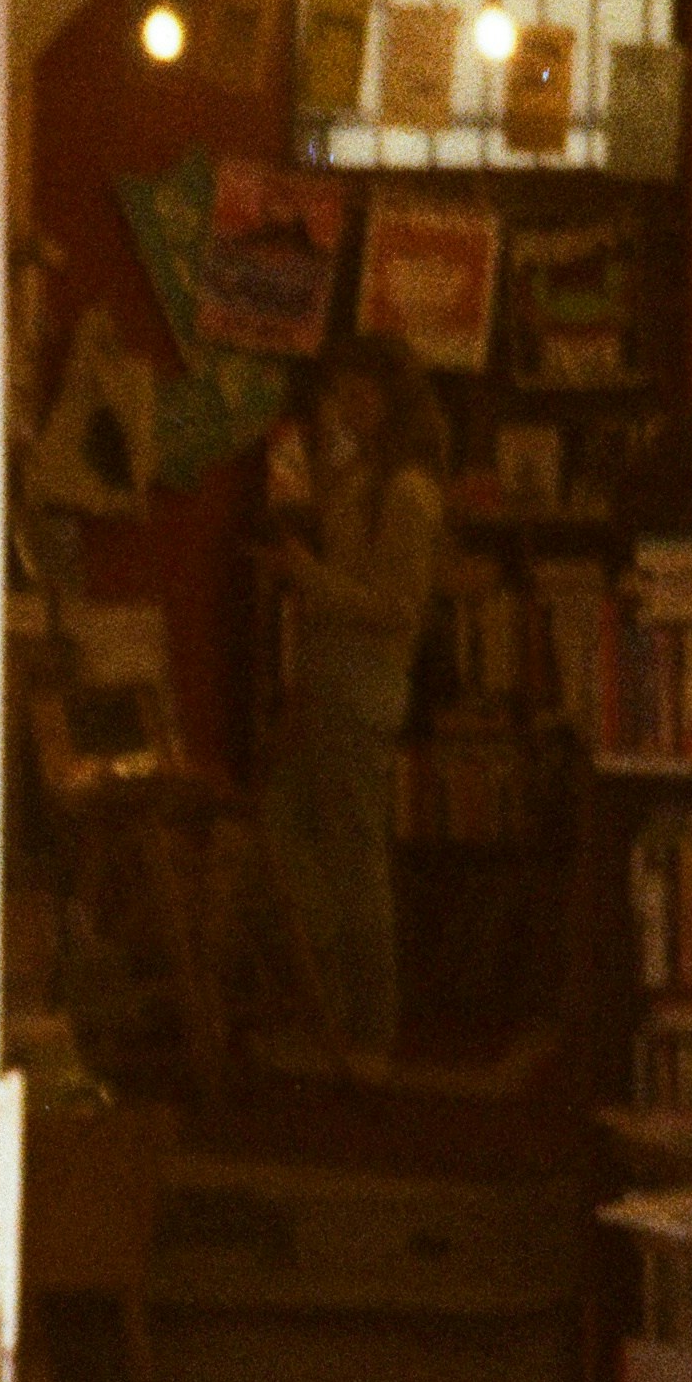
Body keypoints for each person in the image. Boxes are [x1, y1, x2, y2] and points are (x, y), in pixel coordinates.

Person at [253, 333, 446, 1074]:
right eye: (342, 393)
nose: (348, 407)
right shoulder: (366, 475)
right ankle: (331, 1019)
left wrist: (308, 577)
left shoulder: (405, 491)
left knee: (354, 859)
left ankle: (367, 1033)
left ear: (392, 398)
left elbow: (399, 608)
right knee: (296, 839)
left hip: (360, 686)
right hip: (333, 680)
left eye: (361, 393)